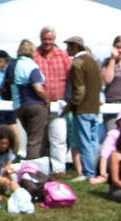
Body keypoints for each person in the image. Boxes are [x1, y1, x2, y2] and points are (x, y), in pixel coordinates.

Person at [33, 27, 71, 173]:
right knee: (39, 138)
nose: (47, 42)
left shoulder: (63, 55)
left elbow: (71, 78)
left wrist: (67, 99)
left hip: (58, 103)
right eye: (44, 39)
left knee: (59, 138)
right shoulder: (35, 55)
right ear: (40, 39)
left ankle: (58, 169)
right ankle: (40, 168)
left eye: (50, 39)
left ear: (54, 40)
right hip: (39, 103)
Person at [65, 36, 102, 183]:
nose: (67, 49)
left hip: (83, 109)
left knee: (85, 142)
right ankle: (93, 170)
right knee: (93, 141)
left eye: (68, 46)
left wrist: (71, 105)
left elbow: (79, 90)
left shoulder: (77, 63)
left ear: (75, 47)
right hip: (94, 108)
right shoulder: (93, 62)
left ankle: (88, 172)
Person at [11, 40, 49, 161]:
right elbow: (38, 88)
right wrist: (46, 99)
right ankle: (32, 171)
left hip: (19, 106)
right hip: (35, 105)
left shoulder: (12, 66)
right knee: (36, 141)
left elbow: (5, 86)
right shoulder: (31, 66)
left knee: (31, 137)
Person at [91, 106, 121, 183]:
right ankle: (106, 178)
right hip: (114, 162)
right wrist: (103, 173)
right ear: (118, 122)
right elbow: (104, 154)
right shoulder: (113, 134)